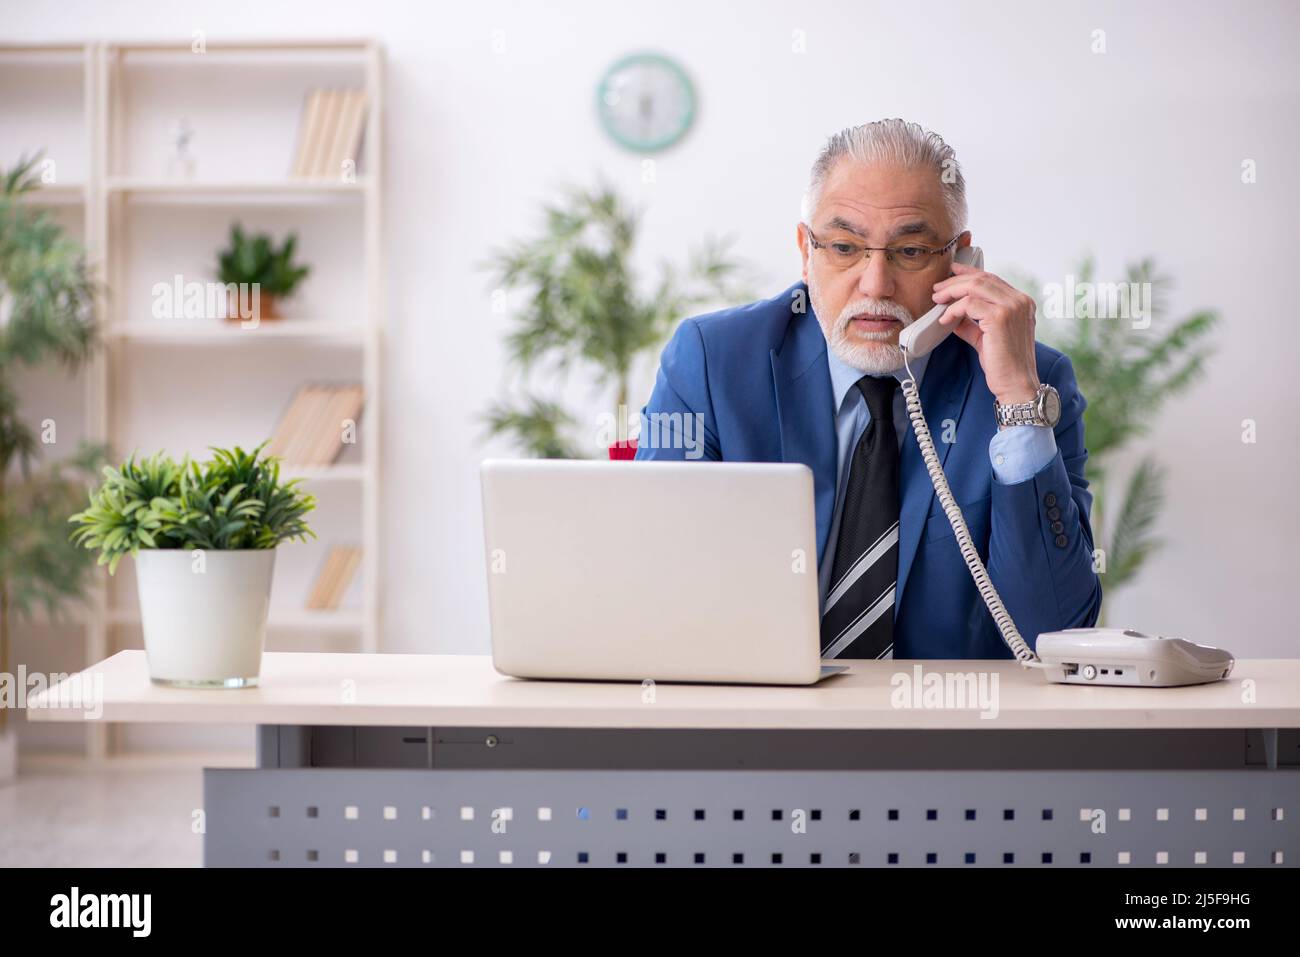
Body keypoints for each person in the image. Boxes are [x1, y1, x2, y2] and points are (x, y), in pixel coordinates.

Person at [635, 119, 1101, 659]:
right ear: (805, 251)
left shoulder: (1028, 381)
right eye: (843, 246)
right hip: (758, 723)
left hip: (948, 732)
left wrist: (1019, 401)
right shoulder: (714, 363)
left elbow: (1054, 632)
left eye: (909, 252)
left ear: (961, 260)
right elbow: (659, 592)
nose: (875, 284)